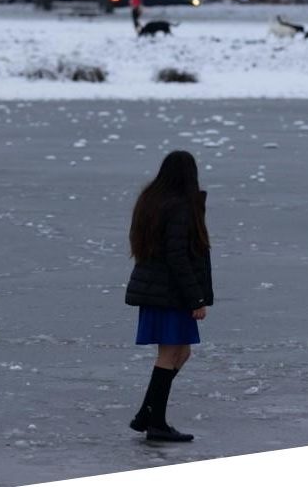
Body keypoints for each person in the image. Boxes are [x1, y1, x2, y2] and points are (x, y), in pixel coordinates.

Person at [125, 150, 213, 442]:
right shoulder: (180, 207)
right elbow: (178, 256)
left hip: (161, 289)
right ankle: (156, 423)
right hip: (170, 293)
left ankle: (147, 414)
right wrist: (196, 299)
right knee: (170, 353)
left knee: (182, 352)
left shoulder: (152, 201)